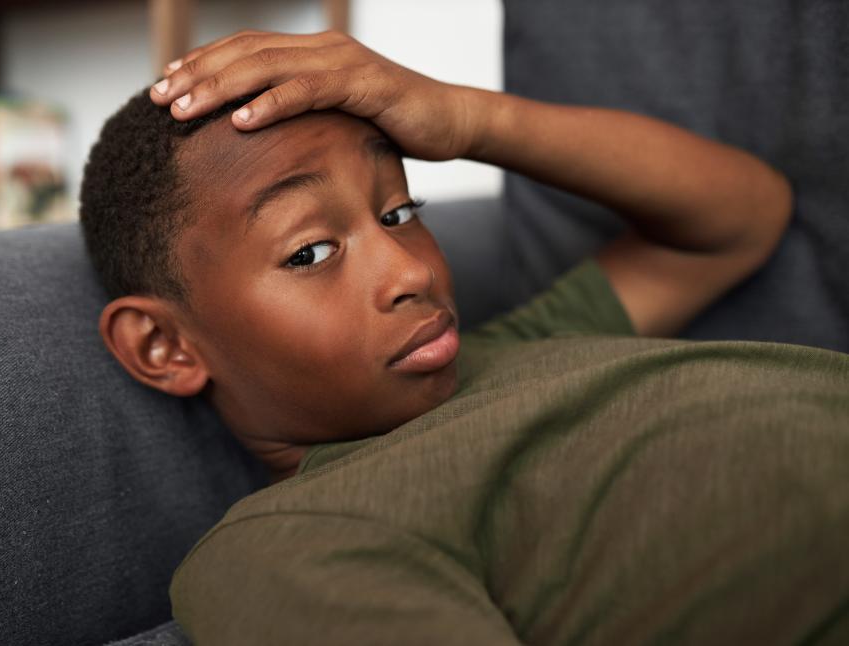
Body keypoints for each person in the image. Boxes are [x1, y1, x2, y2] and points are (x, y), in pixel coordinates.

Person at [80, 31, 849, 645]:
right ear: (163, 346)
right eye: (310, 252)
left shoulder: (527, 344)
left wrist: (467, 116)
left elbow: (744, 215)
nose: (411, 270)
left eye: (399, 213)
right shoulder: (285, 544)